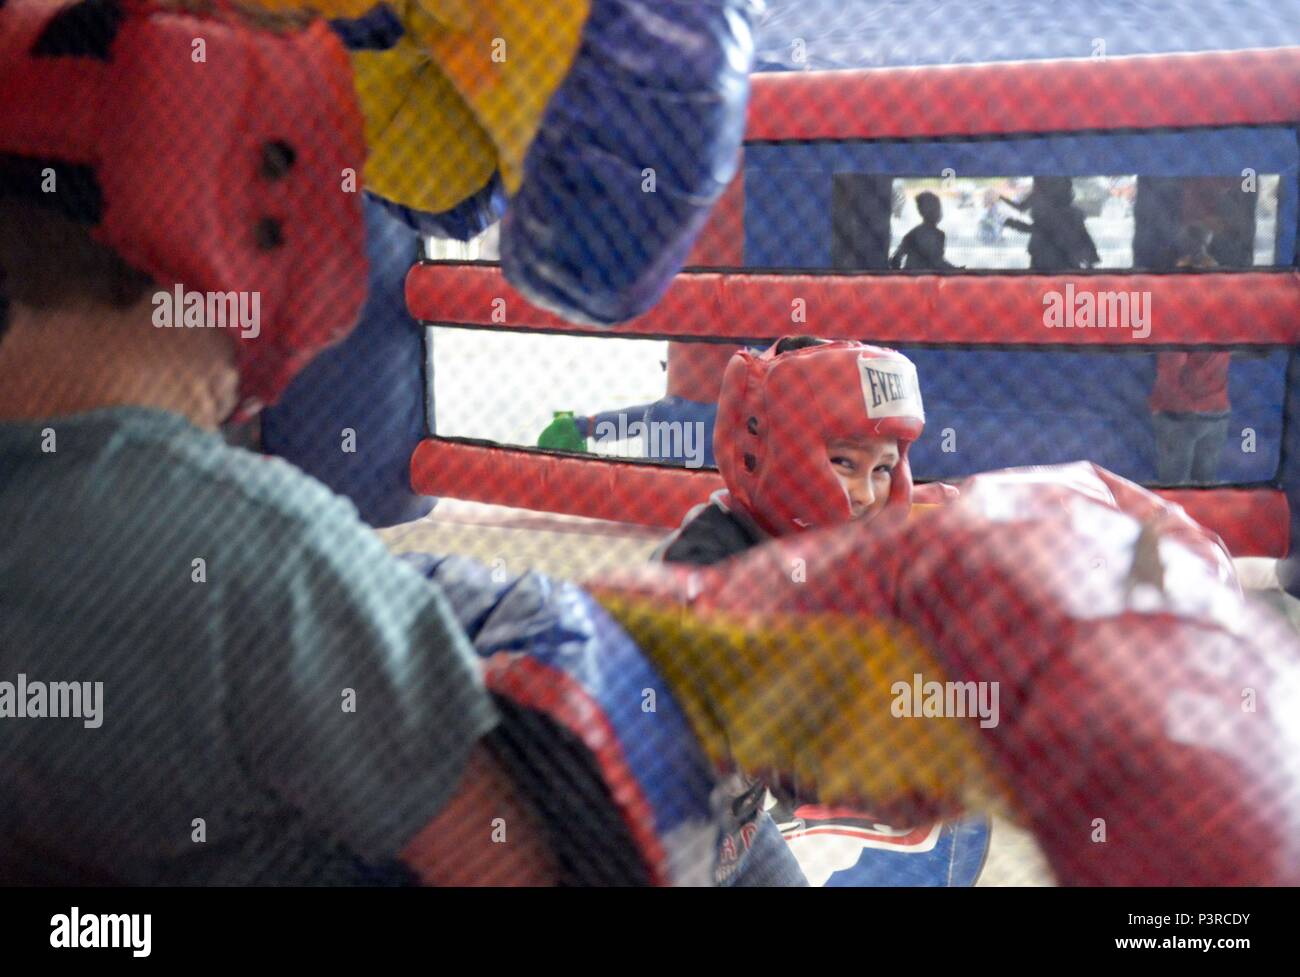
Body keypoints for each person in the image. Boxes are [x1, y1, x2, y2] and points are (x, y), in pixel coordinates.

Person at [656, 337, 989, 887]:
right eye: (843, 463)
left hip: (732, 829)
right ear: (776, 451)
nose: (865, 492)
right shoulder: (707, 569)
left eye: (883, 469)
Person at [1149, 224, 1231, 484]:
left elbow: (1171, 369)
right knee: (1207, 487)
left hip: (1180, 414)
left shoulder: (1177, 317)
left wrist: (1157, 405)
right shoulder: (1227, 313)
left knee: (1175, 490)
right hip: (1218, 410)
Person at [1001, 176, 1100, 270]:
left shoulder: (1042, 207)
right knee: (1067, 286)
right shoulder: (1073, 214)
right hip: (1065, 262)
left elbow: (1033, 227)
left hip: (1043, 260)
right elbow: (1084, 238)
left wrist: (1009, 222)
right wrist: (1090, 261)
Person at [890, 192, 960, 271]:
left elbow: (896, 259)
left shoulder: (913, 234)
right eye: (936, 208)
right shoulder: (938, 235)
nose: (938, 212)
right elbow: (937, 262)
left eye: (938, 208)